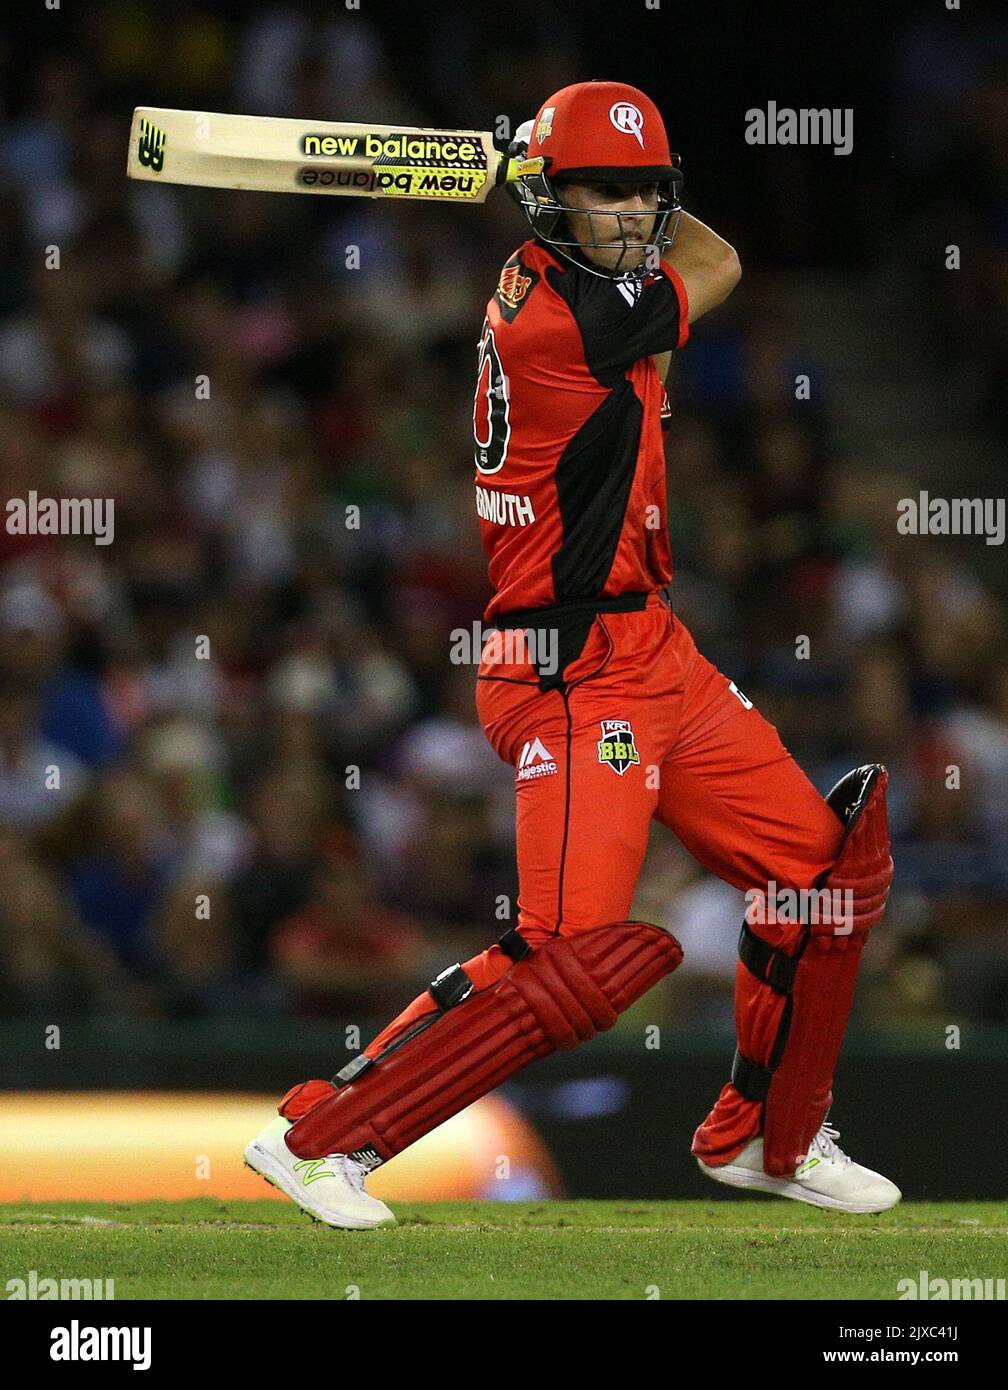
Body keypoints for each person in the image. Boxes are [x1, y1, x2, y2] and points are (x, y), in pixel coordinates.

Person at [245, 80, 897, 1227]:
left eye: (652, 191)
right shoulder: (573, 320)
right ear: (551, 202)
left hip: (653, 645)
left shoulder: (579, 274)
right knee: (570, 954)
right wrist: (537, 167)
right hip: (565, 667)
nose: (639, 216)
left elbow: (698, 251)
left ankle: (770, 1138)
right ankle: (316, 1139)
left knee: (823, 876)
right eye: (611, 193)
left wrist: (549, 169)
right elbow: (723, 265)